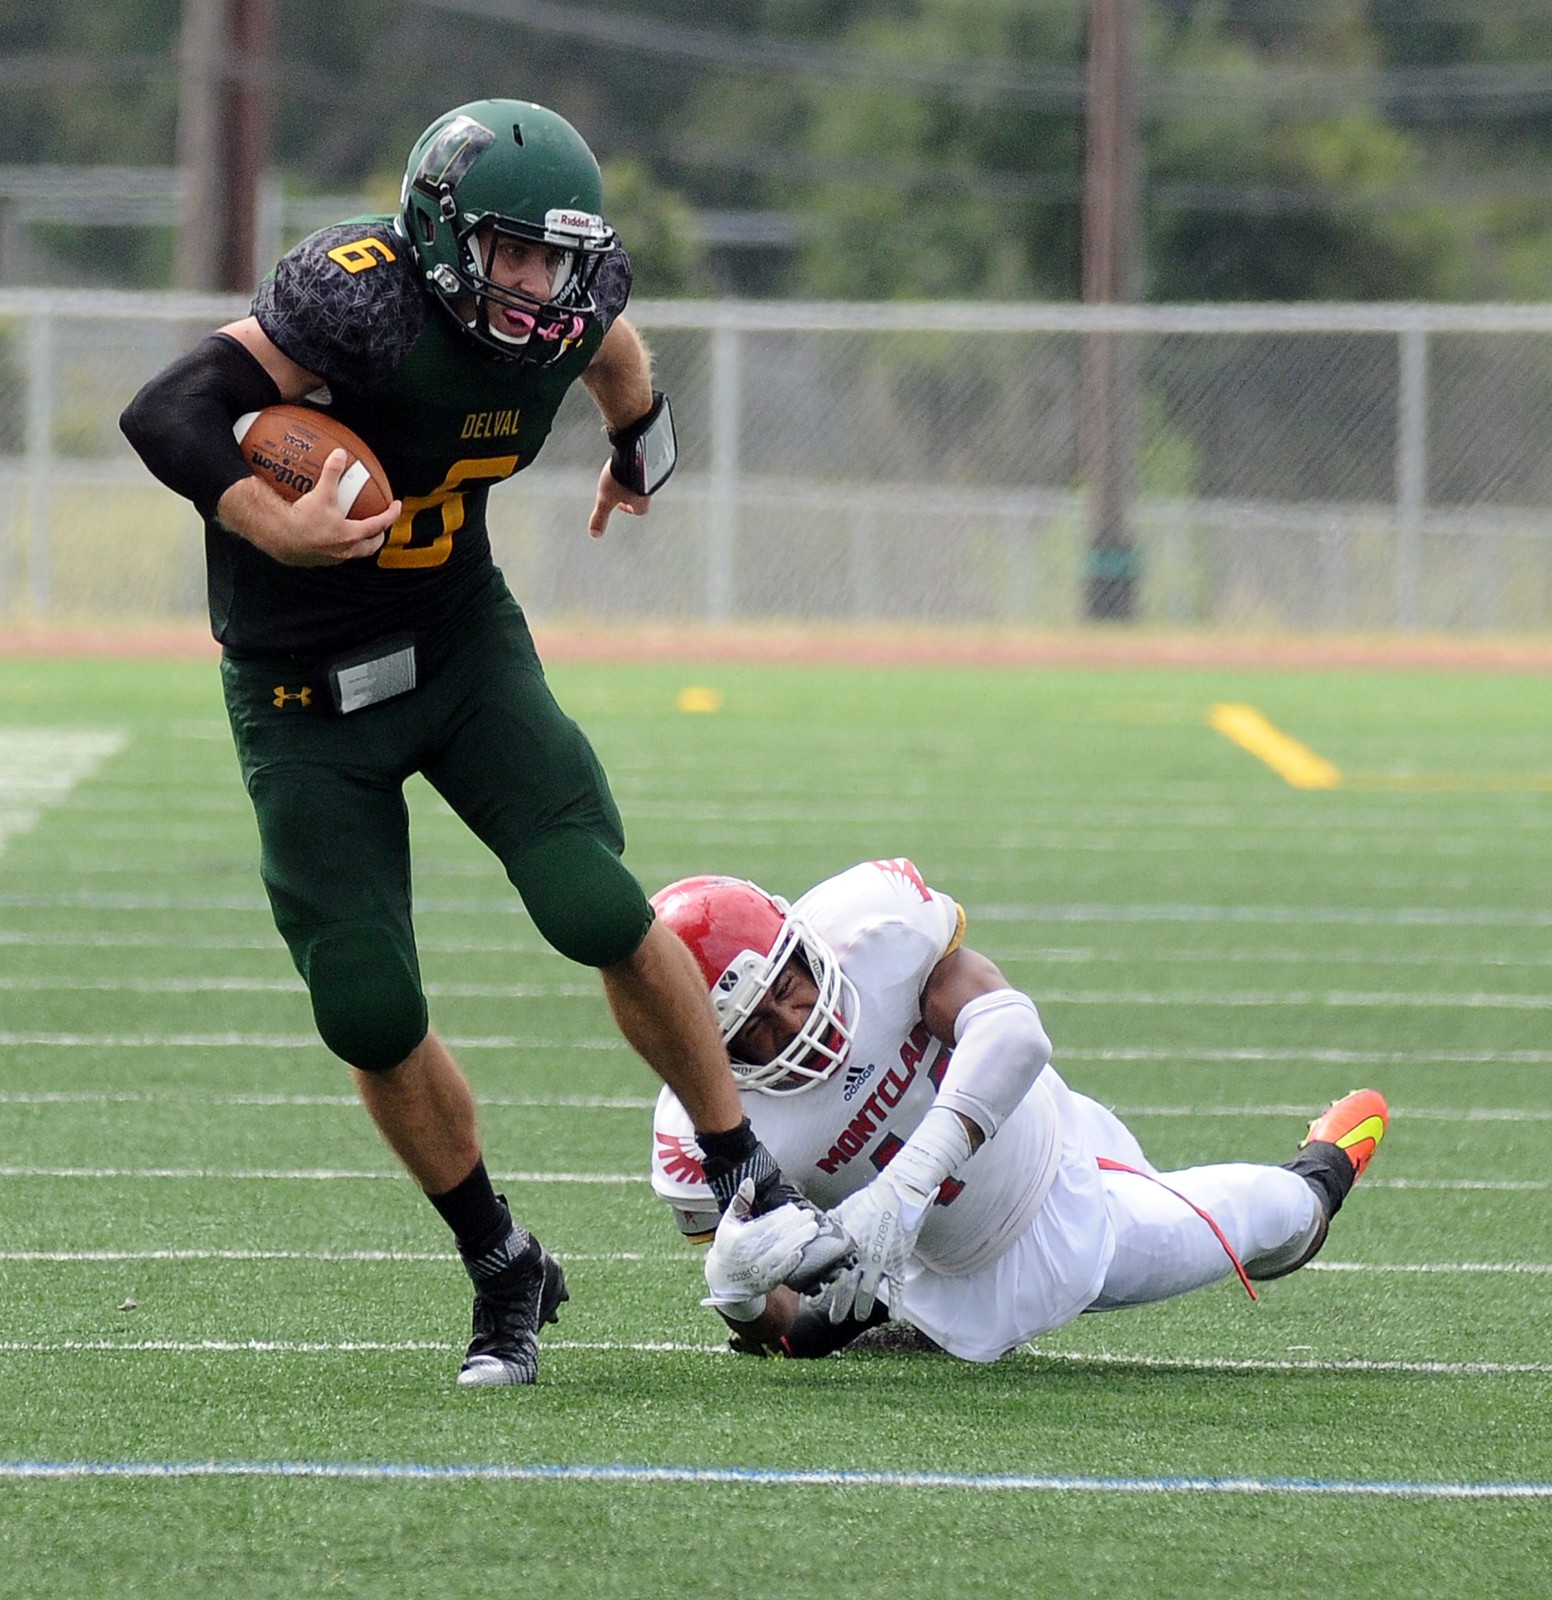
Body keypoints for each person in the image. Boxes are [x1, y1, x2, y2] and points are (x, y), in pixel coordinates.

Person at [119, 98, 795, 1388]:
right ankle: (502, 1263)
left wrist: (640, 445)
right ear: (439, 235)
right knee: (366, 1007)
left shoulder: (568, 304)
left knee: (592, 898)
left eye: (558, 258)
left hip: (458, 645)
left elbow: (609, 349)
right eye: (513, 255)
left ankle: (740, 1163)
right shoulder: (356, 301)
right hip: (299, 689)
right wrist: (271, 524)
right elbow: (169, 411)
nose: (541, 287)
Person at [648, 858, 1390, 1361]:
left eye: (787, 985)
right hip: (922, 1268)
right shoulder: (703, 1131)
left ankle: (1322, 1170)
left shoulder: (875, 932)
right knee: (810, 1333)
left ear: (800, 940)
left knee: (1279, 1215)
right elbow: (772, 1318)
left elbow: (1013, 1031)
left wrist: (902, 1189)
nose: (794, 1021)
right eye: (754, 1028)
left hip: (1059, 1187)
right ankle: (900, 1309)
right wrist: (740, 1292)